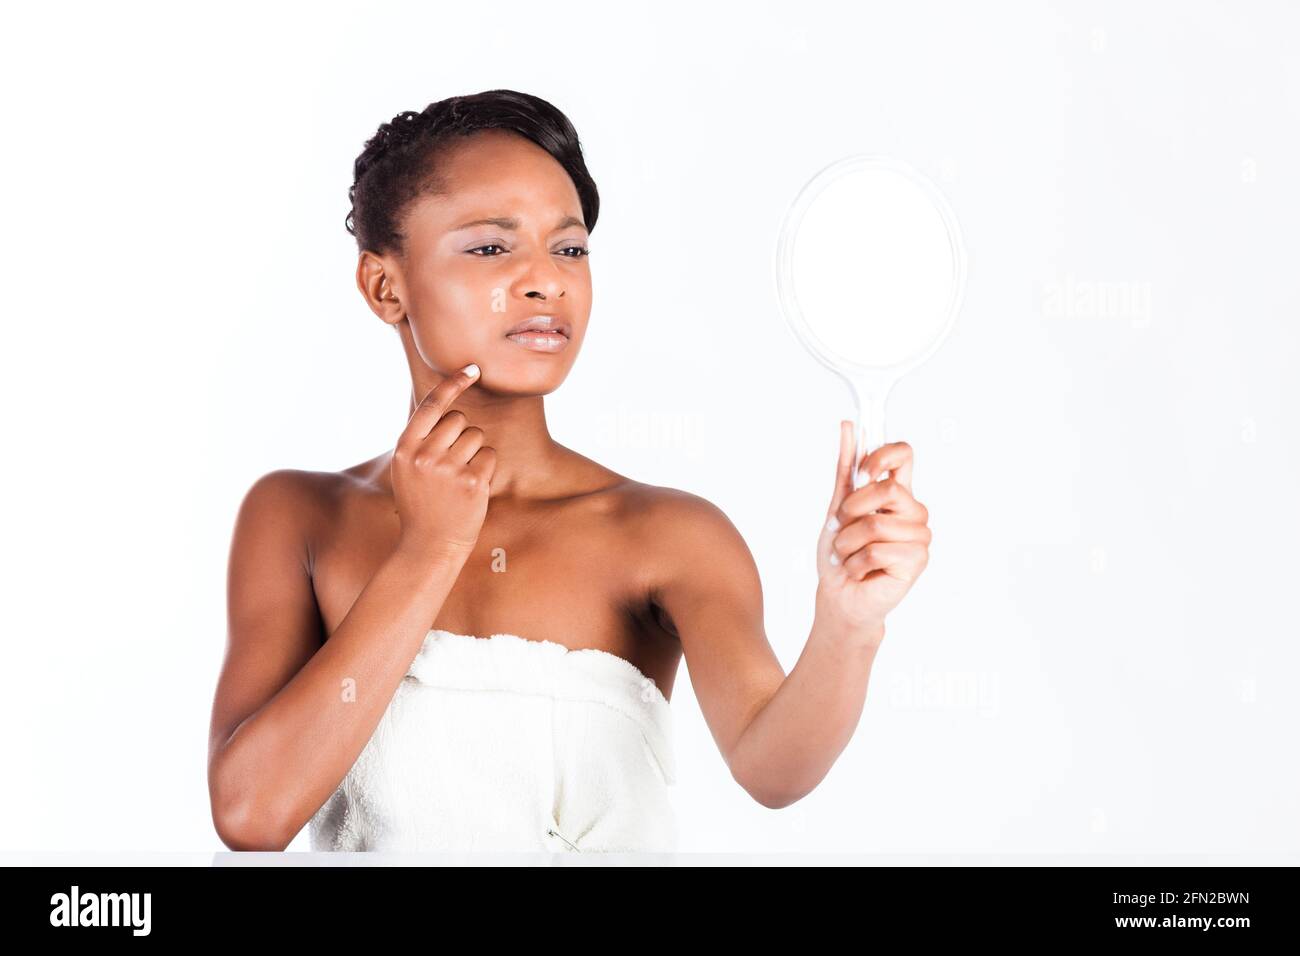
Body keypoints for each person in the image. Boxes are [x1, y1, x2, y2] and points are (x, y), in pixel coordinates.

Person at [206, 89, 933, 853]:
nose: (545, 279)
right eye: (492, 247)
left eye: (570, 248)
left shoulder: (669, 533)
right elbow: (252, 814)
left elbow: (773, 770)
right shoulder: (298, 515)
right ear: (385, 287)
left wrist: (849, 625)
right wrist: (429, 551)